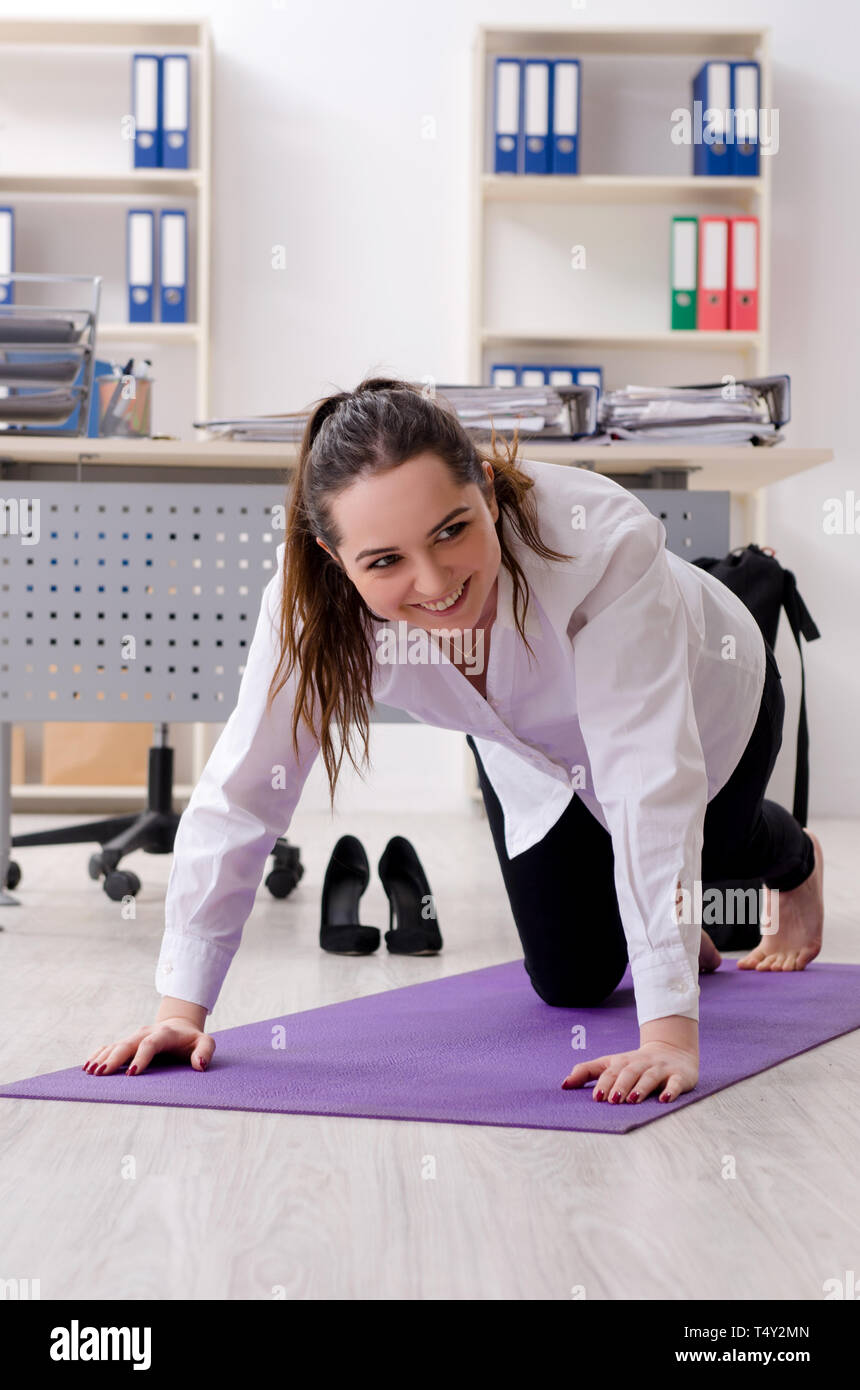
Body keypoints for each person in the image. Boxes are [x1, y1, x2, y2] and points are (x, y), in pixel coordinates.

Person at [83, 377, 825, 1102]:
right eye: (384, 561)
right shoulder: (305, 605)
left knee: (711, 839)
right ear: (333, 557)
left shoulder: (602, 543)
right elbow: (243, 791)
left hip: (704, 703)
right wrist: (180, 1012)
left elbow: (647, 779)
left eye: (452, 531)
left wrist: (667, 1034)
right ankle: (667, 921)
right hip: (530, 748)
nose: (435, 581)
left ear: (490, 494)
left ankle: (792, 858)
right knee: (572, 983)